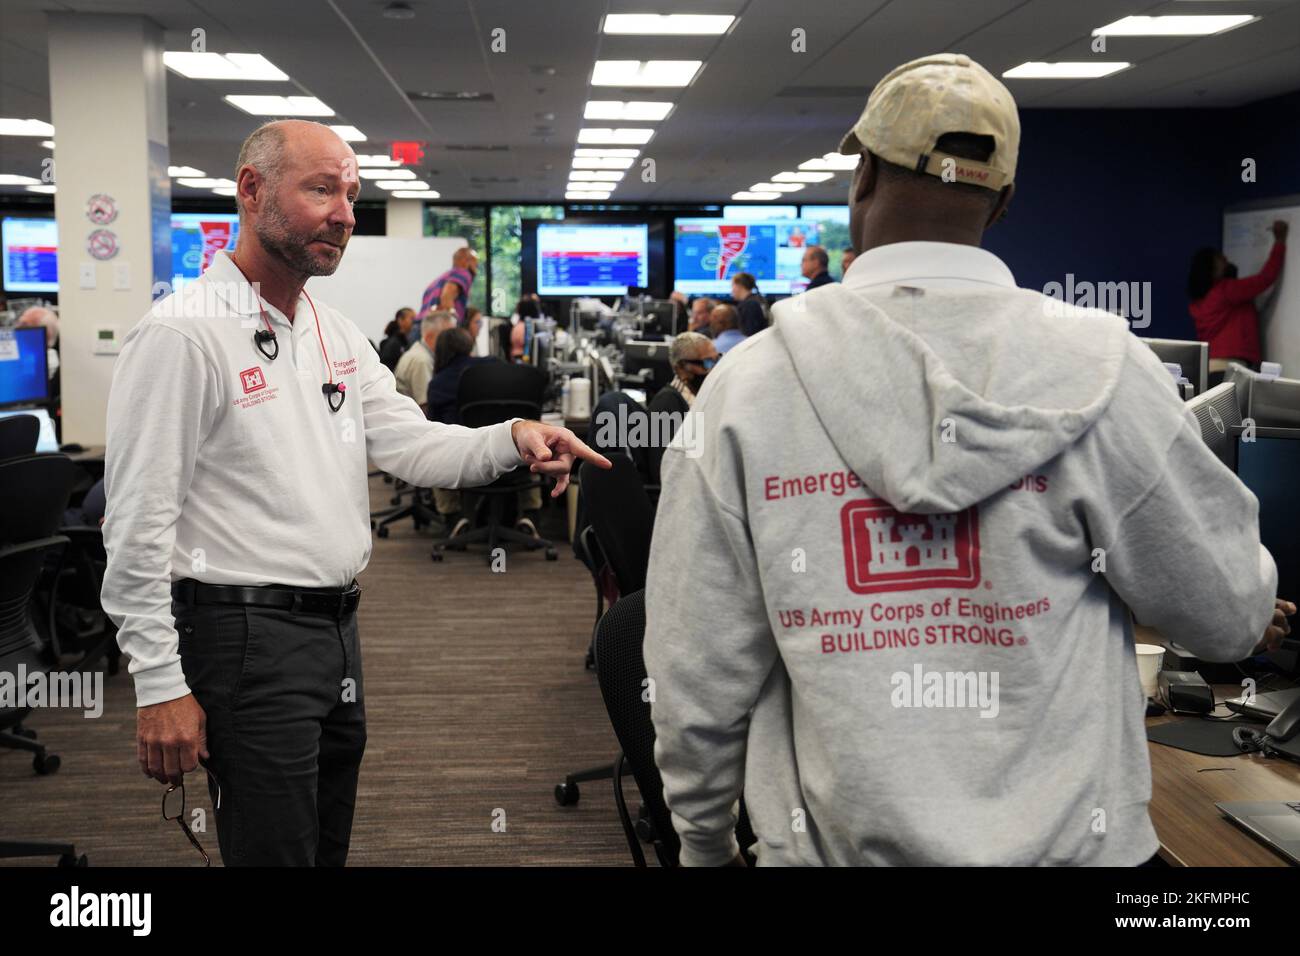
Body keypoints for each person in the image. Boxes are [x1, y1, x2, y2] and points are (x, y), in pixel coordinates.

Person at [643, 53, 1290, 868]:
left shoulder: (745, 390)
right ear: (1005, 200)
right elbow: (1229, 618)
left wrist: (703, 845)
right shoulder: (1108, 371)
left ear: (864, 173)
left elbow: (695, 672)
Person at [101, 119, 610, 867]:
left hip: (336, 630)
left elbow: (413, 444)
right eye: (321, 189)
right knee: (277, 853)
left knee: (324, 847)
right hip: (244, 638)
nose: (344, 213)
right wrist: (156, 682)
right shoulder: (184, 335)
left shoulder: (330, 329)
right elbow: (136, 523)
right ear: (251, 191)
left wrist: (512, 437)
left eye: (351, 193)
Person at [426, 326, 544, 538]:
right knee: (529, 439)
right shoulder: (494, 365)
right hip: (511, 456)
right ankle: (530, 514)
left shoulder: (438, 383)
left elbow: (432, 427)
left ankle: (453, 517)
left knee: (433, 450)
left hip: (465, 459)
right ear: (469, 344)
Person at [1187, 222, 1288, 387]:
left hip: (1210, 368)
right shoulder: (1226, 291)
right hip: (1230, 368)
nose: (1226, 259)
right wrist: (1280, 241)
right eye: (1220, 259)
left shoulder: (1200, 301)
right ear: (1211, 269)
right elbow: (1266, 278)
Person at [646, 332, 717, 485]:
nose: (714, 369)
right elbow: (663, 470)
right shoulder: (667, 404)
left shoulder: (706, 396)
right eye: (707, 363)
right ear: (681, 368)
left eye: (717, 360)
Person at [394, 309, 455, 413]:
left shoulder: (420, 352)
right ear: (430, 337)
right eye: (449, 335)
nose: (454, 339)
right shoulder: (422, 361)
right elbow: (425, 408)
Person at [418, 247, 478, 340]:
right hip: (436, 329)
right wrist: (455, 324)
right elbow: (446, 296)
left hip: (422, 326)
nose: (476, 265)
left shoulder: (441, 278)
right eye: (474, 261)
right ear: (465, 261)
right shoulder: (463, 273)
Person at [16, 305, 60, 382]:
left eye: (24, 325)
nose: (17, 329)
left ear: (46, 336)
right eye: (19, 323)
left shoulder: (46, 363)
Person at [731, 272, 767, 336]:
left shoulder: (749, 305)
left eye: (732, 286)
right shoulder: (759, 300)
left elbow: (749, 334)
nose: (732, 290)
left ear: (739, 286)